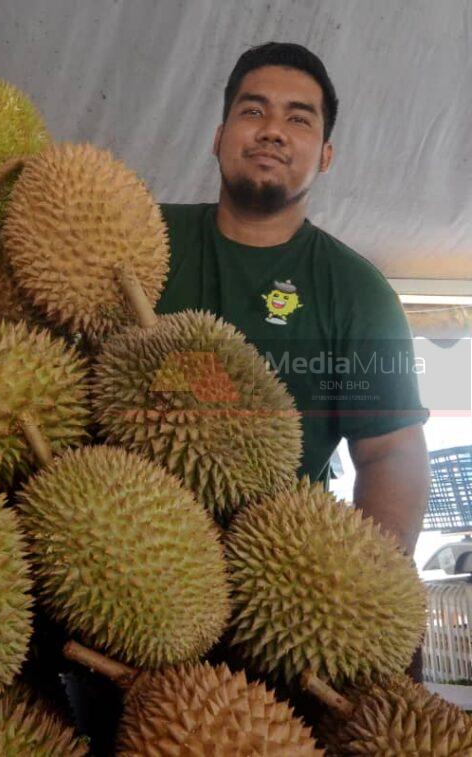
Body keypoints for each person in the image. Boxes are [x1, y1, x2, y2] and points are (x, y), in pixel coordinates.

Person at [156, 42, 430, 556]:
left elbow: (390, 451)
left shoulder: (358, 292)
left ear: (325, 156)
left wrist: (374, 577)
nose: (272, 131)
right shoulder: (144, 235)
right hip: (121, 549)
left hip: (277, 569)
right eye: (252, 111)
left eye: (299, 119)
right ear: (218, 138)